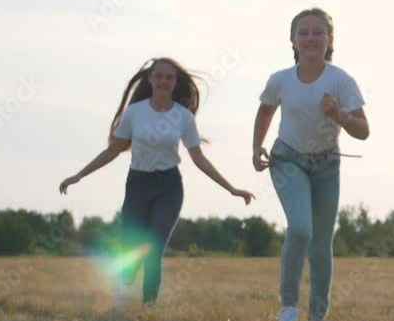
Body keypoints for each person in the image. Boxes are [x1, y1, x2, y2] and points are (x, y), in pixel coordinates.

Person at [60, 57, 254, 306]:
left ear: (175, 83)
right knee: (131, 245)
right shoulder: (134, 113)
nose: (163, 81)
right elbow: (113, 150)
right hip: (138, 184)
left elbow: (198, 157)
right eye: (159, 76)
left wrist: (232, 189)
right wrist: (79, 175)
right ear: (150, 79)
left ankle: (148, 307)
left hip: (169, 187)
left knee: (154, 248)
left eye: (169, 78)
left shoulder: (183, 117)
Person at [252, 8, 370, 321]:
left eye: (318, 32)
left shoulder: (341, 80)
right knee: (301, 228)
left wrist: (340, 115)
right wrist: (256, 146)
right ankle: (288, 310)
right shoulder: (281, 79)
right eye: (303, 32)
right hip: (287, 158)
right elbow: (265, 110)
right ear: (292, 40)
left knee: (321, 245)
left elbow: (364, 131)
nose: (310, 37)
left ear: (330, 40)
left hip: (327, 166)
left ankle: (318, 319)